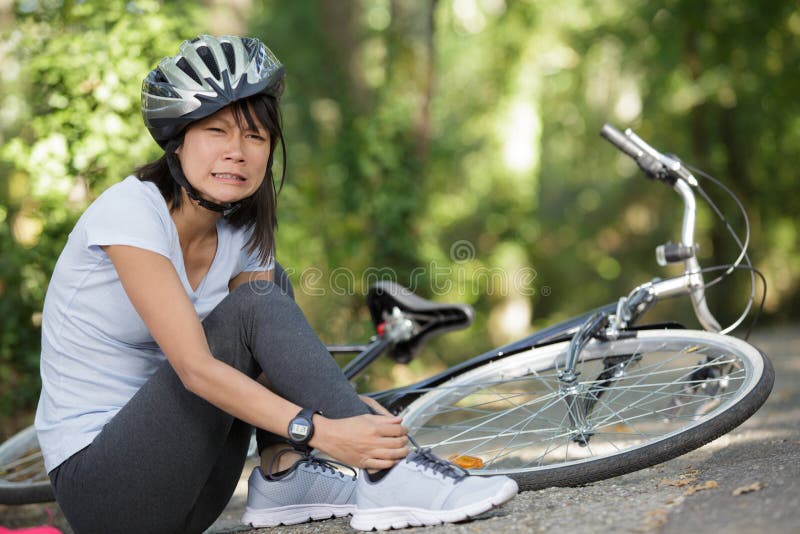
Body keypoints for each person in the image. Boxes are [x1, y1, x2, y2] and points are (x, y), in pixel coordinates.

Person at [34, 35, 518, 534]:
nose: (237, 152)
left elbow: (266, 360)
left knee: (269, 288)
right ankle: (387, 473)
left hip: (193, 494)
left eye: (255, 136)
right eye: (216, 131)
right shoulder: (130, 213)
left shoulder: (241, 228)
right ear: (178, 142)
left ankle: (284, 472)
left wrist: (344, 406)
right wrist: (325, 429)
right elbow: (196, 369)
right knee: (255, 303)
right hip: (107, 493)